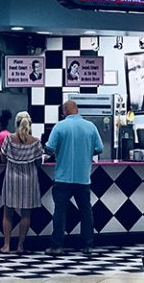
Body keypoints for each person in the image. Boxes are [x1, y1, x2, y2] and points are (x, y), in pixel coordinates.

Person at [44, 100, 103, 255]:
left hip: (62, 178)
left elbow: (49, 149)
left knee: (60, 211)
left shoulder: (60, 126)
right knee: (86, 211)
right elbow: (100, 148)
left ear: (64, 111)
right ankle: (88, 245)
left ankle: (57, 246)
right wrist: (86, 151)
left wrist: (56, 151)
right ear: (77, 110)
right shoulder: (90, 127)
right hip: (83, 178)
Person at [0, 111, 44, 254]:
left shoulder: (9, 139)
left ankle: (6, 245)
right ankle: (20, 246)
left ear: (16, 123)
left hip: (12, 178)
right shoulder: (36, 142)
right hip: (29, 179)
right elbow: (38, 162)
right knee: (26, 215)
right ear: (29, 124)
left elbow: (3, 158)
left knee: (8, 213)